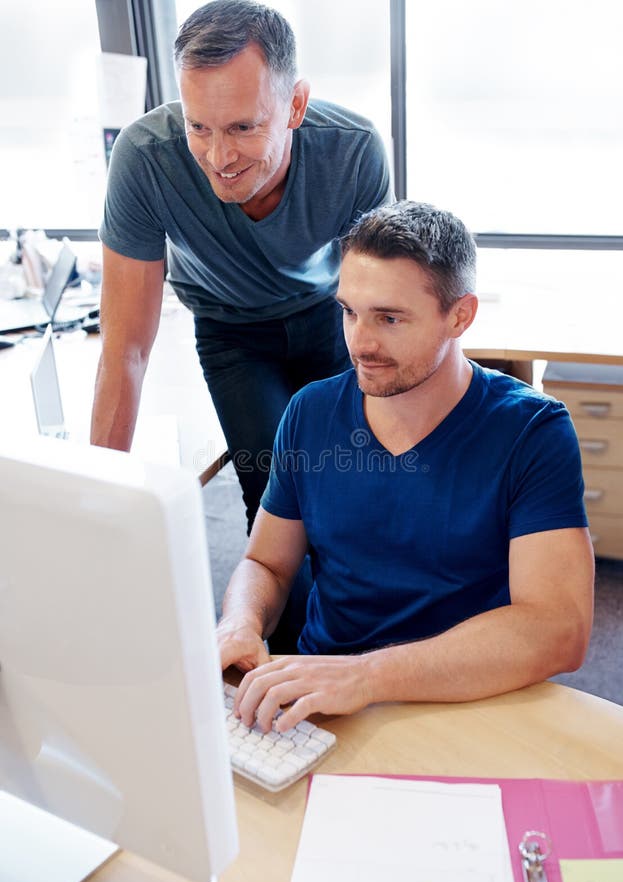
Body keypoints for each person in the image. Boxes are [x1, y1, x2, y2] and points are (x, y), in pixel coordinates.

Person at [217, 200, 595, 733]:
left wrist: (366, 676)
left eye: (389, 318)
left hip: (465, 701)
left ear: (460, 315)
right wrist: (240, 619)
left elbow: (558, 628)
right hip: (321, 700)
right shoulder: (310, 412)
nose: (360, 342)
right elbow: (267, 564)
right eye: (349, 312)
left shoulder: (532, 431)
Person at [90, 0, 391, 536]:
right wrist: (96, 506)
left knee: (354, 485)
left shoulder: (353, 151)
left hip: (331, 317)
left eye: (243, 127)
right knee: (275, 499)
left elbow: (384, 302)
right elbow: (125, 349)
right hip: (231, 331)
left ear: (295, 105)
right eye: (198, 127)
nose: (218, 157)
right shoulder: (144, 158)